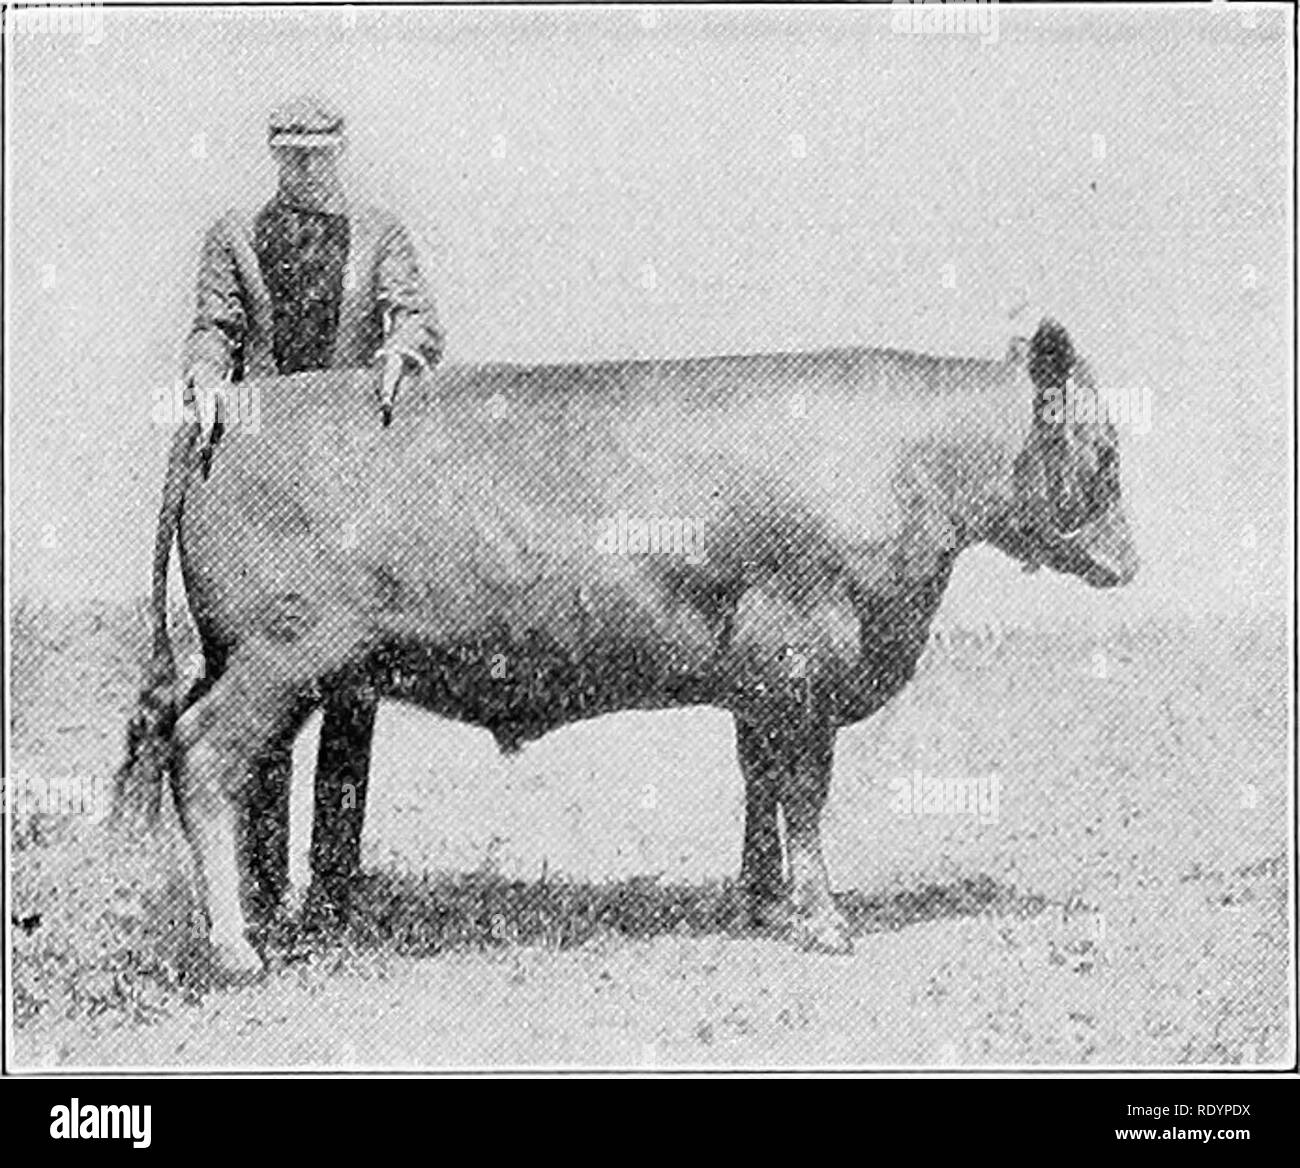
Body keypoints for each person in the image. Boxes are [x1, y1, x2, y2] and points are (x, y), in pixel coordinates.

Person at [163, 96, 445, 923]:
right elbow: (212, 326)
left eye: (319, 156)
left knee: (354, 692)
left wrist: (402, 348)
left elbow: (417, 315)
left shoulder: (380, 232)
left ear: (341, 154)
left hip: (356, 485)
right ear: (274, 159)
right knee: (266, 689)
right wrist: (208, 374)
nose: (306, 170)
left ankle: (332, 889)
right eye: (292, 157)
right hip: (265, 490)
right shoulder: (235, 237)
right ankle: (256, 886)